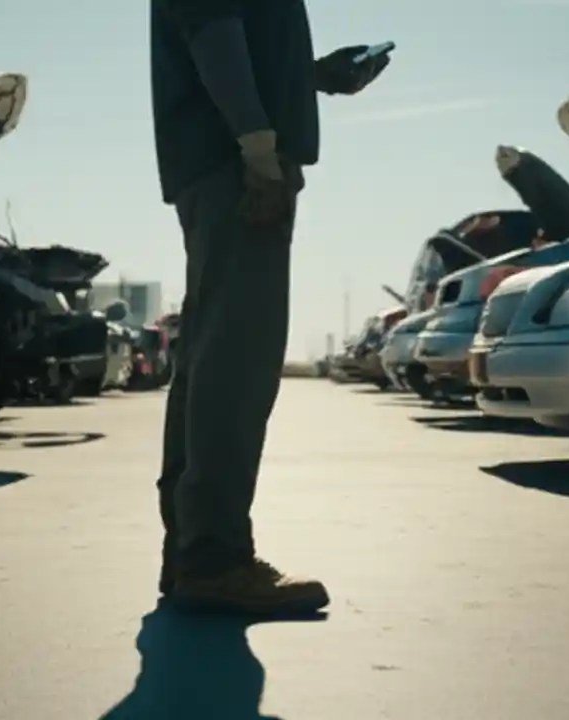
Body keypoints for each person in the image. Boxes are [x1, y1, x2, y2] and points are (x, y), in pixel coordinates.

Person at [151, 0, 391, 616]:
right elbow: (212, 30)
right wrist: (259, 153)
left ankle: (193, 550)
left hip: (221, 160)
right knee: (238, 359)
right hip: (235, 165)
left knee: (213, 355)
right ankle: (215, 559)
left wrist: (308, 76)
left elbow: (231, 37)